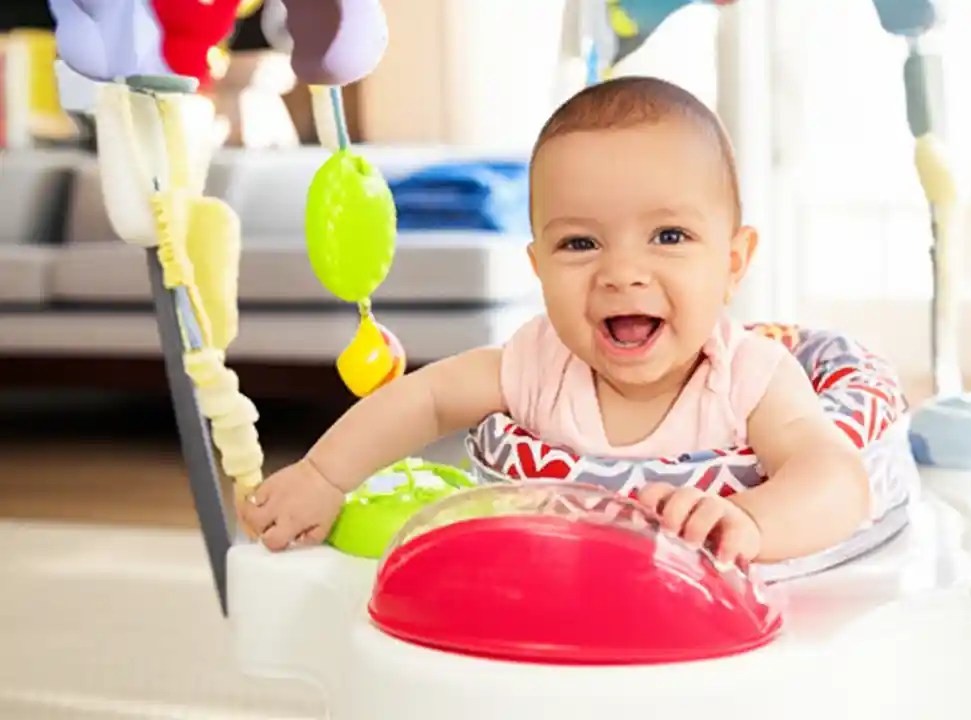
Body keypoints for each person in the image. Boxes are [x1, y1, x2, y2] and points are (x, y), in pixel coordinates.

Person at [239, 76, 870, 565]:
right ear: (537, 267)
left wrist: (754, 522)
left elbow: (836, 478)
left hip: (714, 622)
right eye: (580, 244)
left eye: (668, 235)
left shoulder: (752, 377)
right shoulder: (537, 365)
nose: (623, 272)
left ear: (733, 263)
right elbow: (425, 399)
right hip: (554, 594)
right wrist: (324, 476)